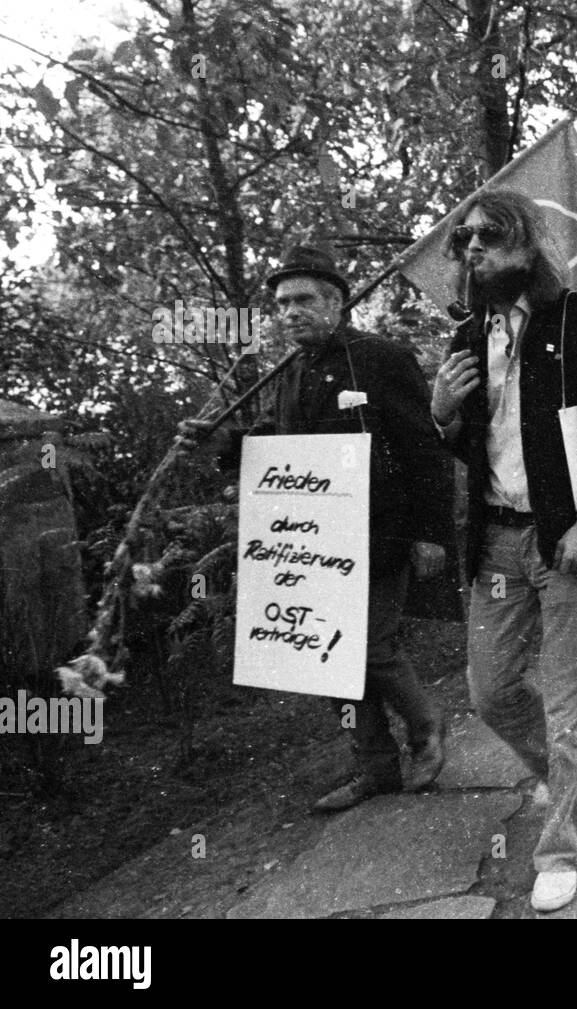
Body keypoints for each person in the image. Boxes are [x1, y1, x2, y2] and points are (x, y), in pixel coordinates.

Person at [176, 244, 455, 813]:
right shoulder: (287, 376)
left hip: (382, 534)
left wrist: (432, 533)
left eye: (304, 299)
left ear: (338, 301)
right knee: (325, 656)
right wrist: (217, 439)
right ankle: (375, 767)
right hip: (311, 546)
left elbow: (425, 447)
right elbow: (268, 454)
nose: (290, 312)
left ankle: (427, 725)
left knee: (372, 647)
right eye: (281, 304)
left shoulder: (380, 357)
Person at [430, 189, 577, 913]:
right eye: (464, 239)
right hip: (492, 542)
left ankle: (563, 848)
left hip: (560, 543)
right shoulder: (465, 338)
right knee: (490, 692)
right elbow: (469, 448)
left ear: (527, 244)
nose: (474, 247)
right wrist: (441, 413)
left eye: (490, 233)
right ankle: (568, 779)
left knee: (569, 707)